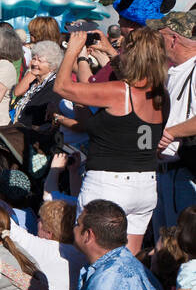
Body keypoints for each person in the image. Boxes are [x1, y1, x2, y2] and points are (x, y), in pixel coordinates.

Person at [56, 28, 165, 254]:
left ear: (130, 54)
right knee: (128, 260)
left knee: (93, 256)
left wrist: (72, 51)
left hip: (110, 183)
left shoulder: (119, 92)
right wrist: (110, 51)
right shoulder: (160, 94)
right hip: (145, 184)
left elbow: (62, 87)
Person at [146, 11, 196, 237]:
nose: (157, 41)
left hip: (184, 172)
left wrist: (170, 133)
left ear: (174, 39)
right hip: (165, 172)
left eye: (161, 35)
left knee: (180, 244)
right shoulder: (173, 71)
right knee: (164, 244)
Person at [74, 199, 164, 290]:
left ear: (88, 235)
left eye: (78, 224)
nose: (74, 228)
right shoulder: (117, 262)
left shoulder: (109, 278)